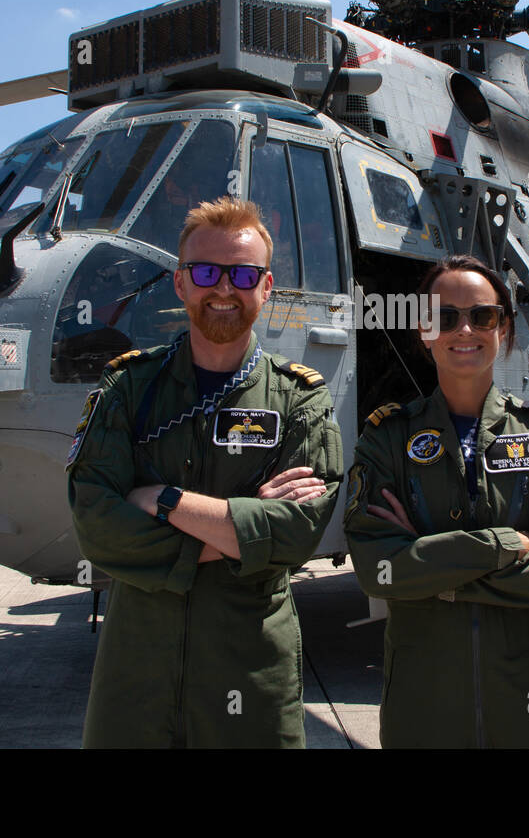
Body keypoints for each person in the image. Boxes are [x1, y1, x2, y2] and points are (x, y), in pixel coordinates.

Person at [68, 195, 343, 748]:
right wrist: (243, 534)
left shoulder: (299, 399)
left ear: (266, 288)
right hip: (135, 677)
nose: (224, 289)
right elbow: (96, 524)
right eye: (206, 271)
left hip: (251, 674)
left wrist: (165, 501)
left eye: (243, 274)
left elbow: (295, 532)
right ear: (181, 283)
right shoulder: (128, 389)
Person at [344, 254, 529, 748]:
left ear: (504, 327)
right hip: (425, 704)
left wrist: (430, 559)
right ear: (423, 330)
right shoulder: (387, 437)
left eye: (482, 316)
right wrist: (507, 544)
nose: (465, 329)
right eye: (445, 317)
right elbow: (379, 572)